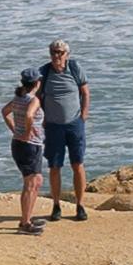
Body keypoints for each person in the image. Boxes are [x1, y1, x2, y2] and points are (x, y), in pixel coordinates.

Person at [37, 38, 92, 218]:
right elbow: (37, 97)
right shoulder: (44, 72)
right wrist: (42, 118)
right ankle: (56, 205)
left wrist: (83, 115)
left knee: (77, 164)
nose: (56, 55)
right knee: (55, 166)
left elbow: (85, 92)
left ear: (67, 54)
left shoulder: (74, 68)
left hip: (75, 124)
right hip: (53, 127)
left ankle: (80, 205)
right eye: (53, 52)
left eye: (60, 52)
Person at [2, 66, 47, 231]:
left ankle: (27, 218)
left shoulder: (18, 97)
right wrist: (27, 133)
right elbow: (29, 115)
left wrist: (15, 130)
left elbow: (5, 112)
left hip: (21, 144)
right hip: (29, 145)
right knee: (30, 183)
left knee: (37, 181)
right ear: (36, 83)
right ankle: (25, 223)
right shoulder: (32, 100)